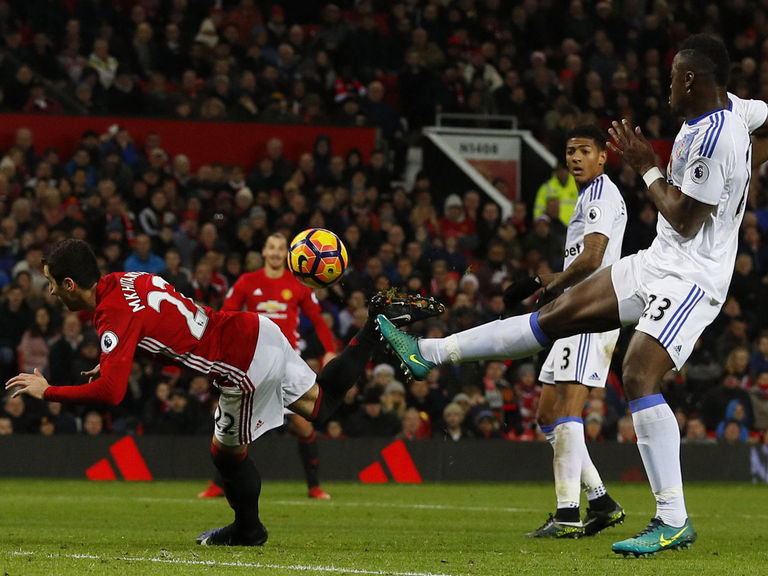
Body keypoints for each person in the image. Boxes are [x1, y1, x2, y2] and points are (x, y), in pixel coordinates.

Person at [377, 35, 760, 556]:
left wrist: (647, 163)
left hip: (693, 276)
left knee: (641, 372)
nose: (667, 83)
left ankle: (672, 519)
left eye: (674, 75)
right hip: (654, 262)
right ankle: (427, 354)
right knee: (555, 315)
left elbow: (688, 220)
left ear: (691, 79)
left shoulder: (717, 137)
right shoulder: (738, 110)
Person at [5, 239, 443, 547]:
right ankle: (372, 327)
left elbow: (111, 393)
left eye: (49, 282)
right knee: (320, 406)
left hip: (240, 366)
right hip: (254, 328)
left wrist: (48, 392)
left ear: (68, 284)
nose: (48, 291)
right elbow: (153, 319)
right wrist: (116, 354)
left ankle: (247, 531)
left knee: (225, 455)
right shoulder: (125, 280)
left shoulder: (111, 314)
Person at [511, 125, 626, 539]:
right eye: (569, 151)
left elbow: (593, 257)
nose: (575, 158)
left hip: (588, 309)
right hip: (574, 310)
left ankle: (566, 515)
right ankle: (601, 501)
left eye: (584, 150)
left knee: (566, 414)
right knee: (547, 415)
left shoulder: (599, 194)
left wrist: (551, 283)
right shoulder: (589, 195)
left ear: (602, 158)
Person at [211, 233, 339, 500]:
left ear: (289, 254)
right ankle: (218, 485)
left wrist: (329, 349)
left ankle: (314, 486)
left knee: (303, 426)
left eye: (281, 249)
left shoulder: (299, 283)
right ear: (264, 251)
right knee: (231, 425)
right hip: (253, 359)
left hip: (286, 362)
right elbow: (226, 313)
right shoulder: (247, 281)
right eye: (271, 247)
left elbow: (317, 319)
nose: (276, 253)